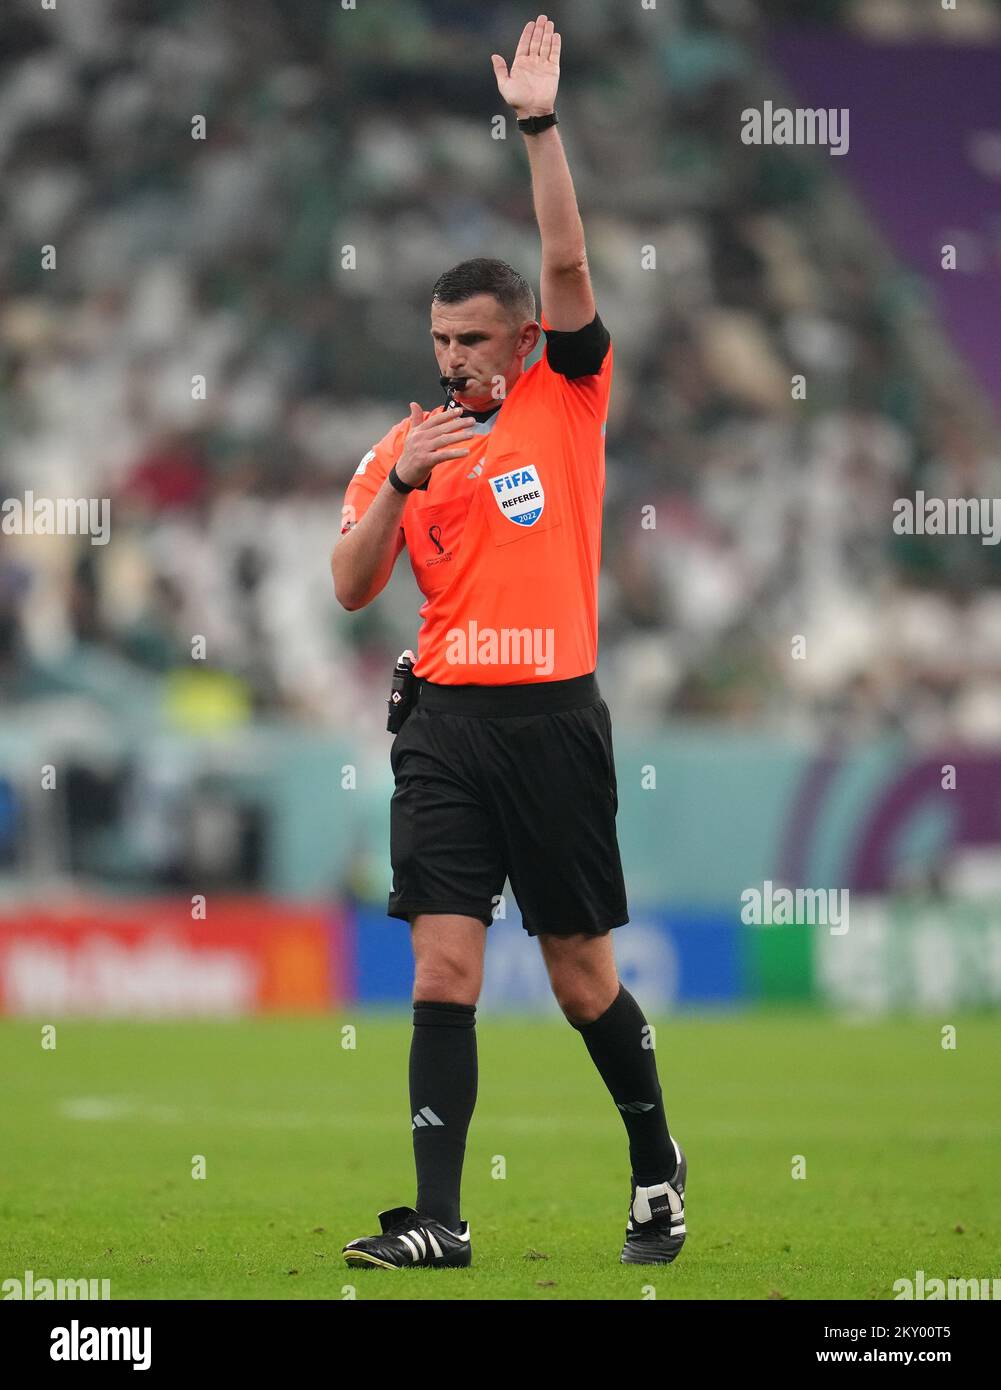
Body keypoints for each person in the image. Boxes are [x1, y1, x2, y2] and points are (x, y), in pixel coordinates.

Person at [333, 14, 685, 1271]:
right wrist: (393, 491)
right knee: (441, 961)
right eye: (439, 343)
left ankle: (654, 1166)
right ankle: (438, 1217)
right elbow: (346, 584)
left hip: (552, 719)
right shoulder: (405, 444)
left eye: (473, 340)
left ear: (523, 338)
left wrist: (537, 129)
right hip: (443, 720)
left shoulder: (567, 394)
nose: (453, 361)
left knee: (584, 978)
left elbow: (569, 255)